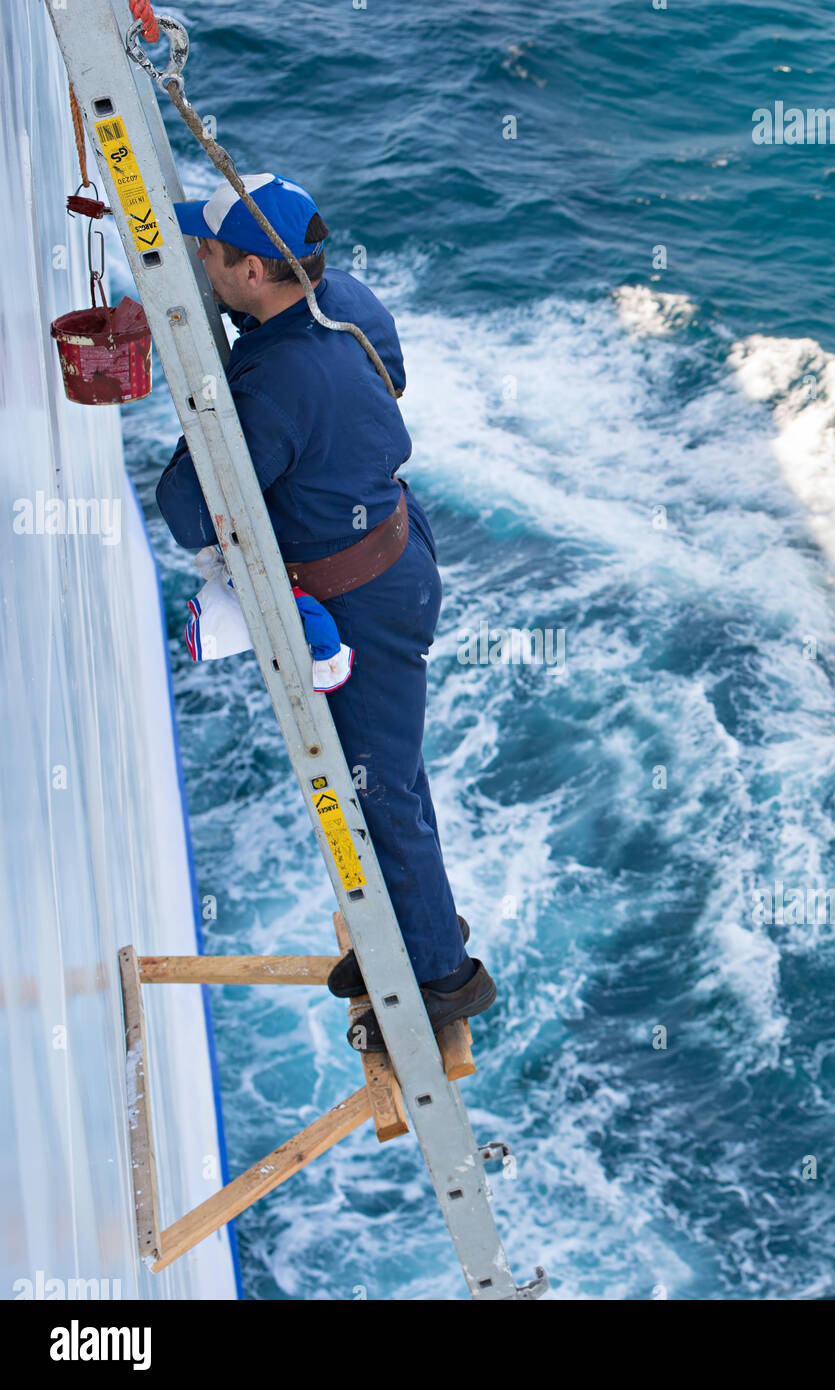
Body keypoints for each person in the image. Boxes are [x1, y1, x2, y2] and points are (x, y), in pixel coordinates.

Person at [155, 171, 496, 1052]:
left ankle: (440, 985)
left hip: (359, 599)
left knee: (380, 791)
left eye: (214, 253)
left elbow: (195, 507)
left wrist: (222, 408)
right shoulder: (343, 298)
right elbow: (394, 375)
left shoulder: (278, 379)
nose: (200, 259)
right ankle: (422, 933)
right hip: (394, 547)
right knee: (391, 778)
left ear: (257, 275)